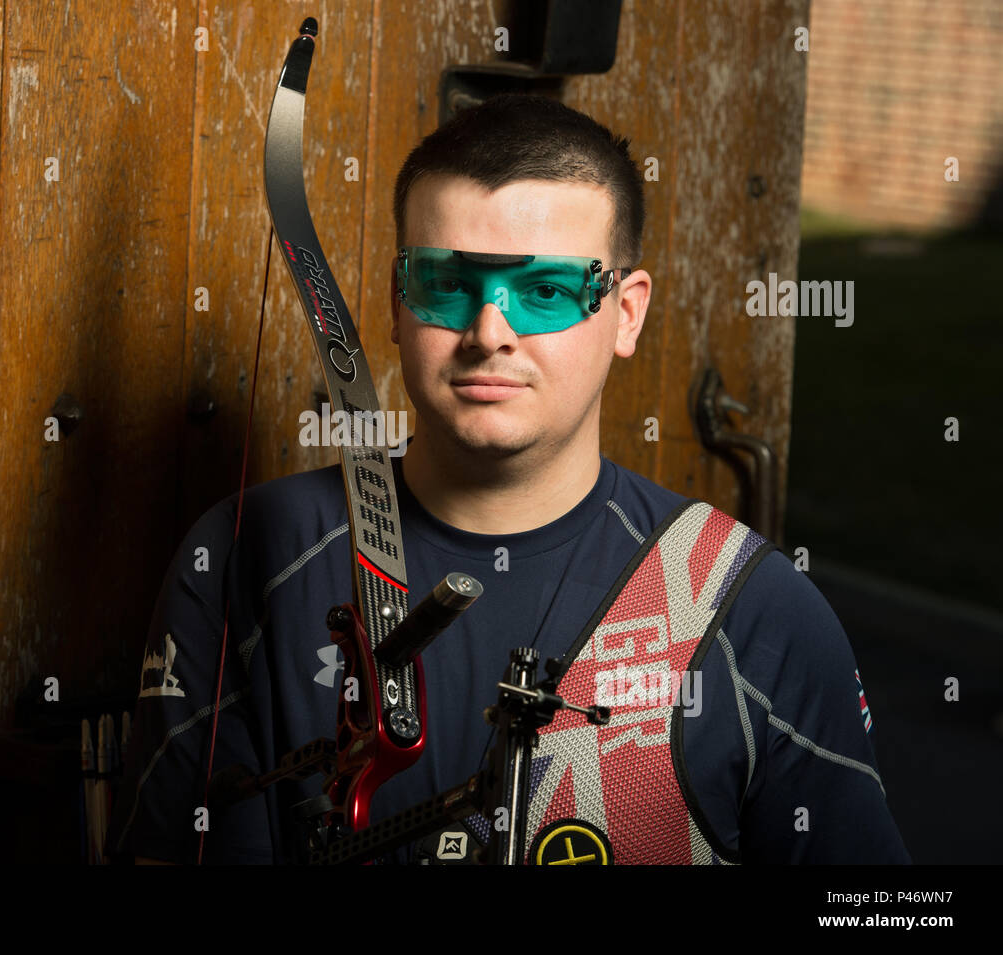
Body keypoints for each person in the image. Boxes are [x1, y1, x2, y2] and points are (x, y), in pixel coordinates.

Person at [127, 93, 911, 864]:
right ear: (396, 304)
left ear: (626, 312)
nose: (489, 332)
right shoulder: (246, 554)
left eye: (544, 291)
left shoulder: (748, 607)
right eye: (447, 283)